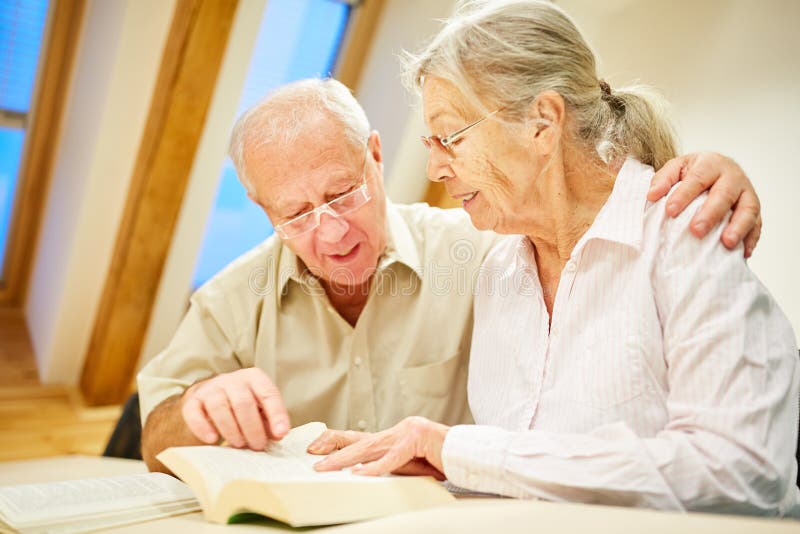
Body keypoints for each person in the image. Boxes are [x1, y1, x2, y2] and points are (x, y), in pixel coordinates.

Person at [311, 0, 799, 517]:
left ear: (542, 123)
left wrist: (459, 451)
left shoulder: (683, 234)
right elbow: (533, 471)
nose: (435, 168)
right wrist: (451, 466)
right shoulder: (499, 270)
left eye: (450, 137)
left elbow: (741, 469)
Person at [138, 76, 763, 474]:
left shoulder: (487, 252)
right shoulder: (229, 297)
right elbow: (151, 440)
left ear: (377, 157)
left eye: (344, 193)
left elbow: (579, 190)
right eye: (296, 214)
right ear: (262, 208)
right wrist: (194, 408)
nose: (330, 234)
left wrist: (702, 174)